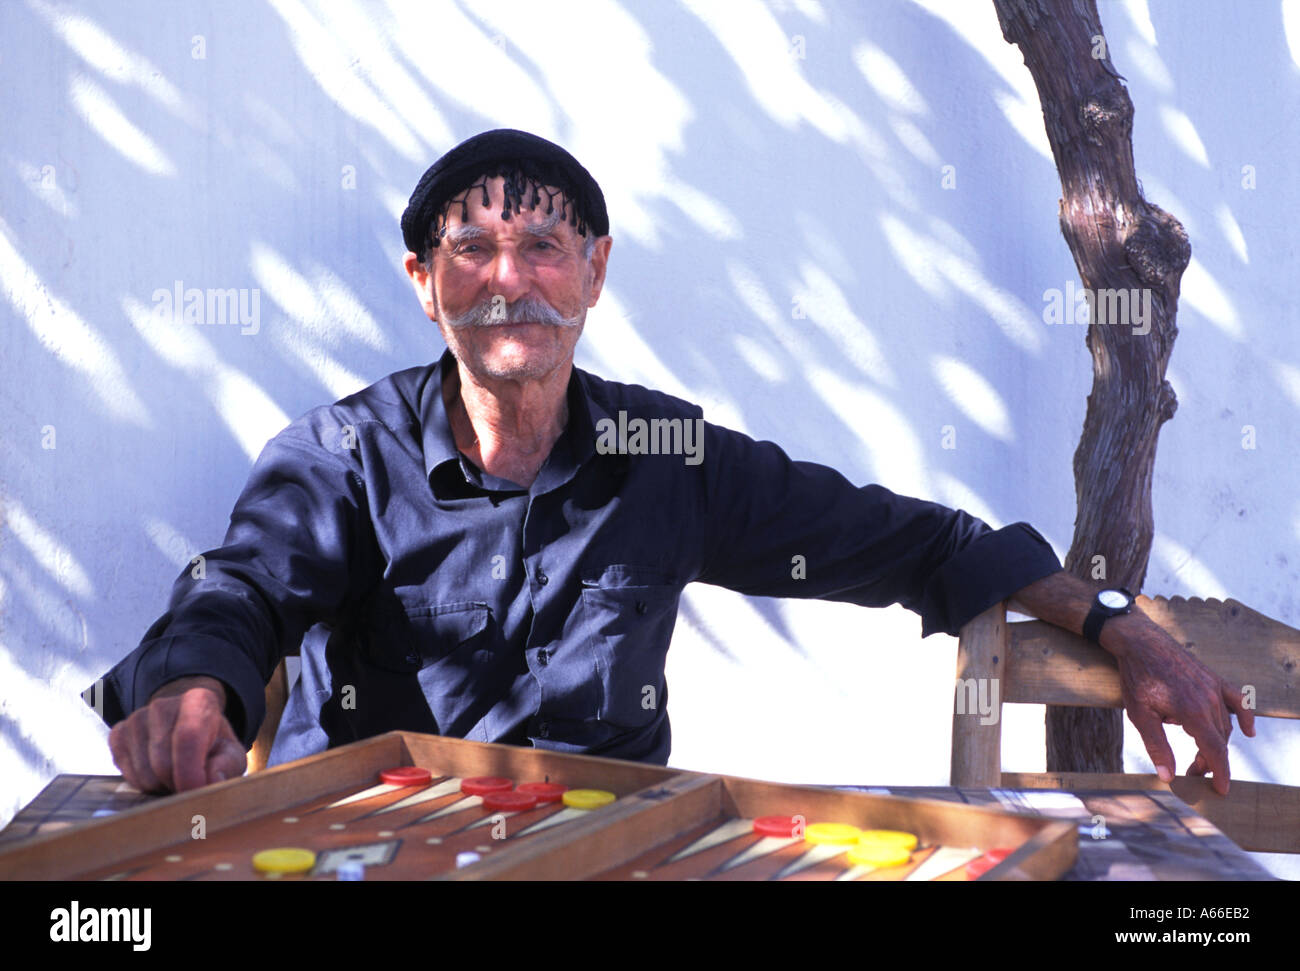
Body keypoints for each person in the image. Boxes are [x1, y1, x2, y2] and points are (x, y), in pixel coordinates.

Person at [91, 129, 1254, 795]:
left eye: (543, 246)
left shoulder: (665, 457)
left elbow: (922, 545)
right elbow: (236, 588)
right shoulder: (344, 453)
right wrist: (195, 682)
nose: (509, 280)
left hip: (607, 854)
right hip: (367, 851)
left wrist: (1116, 621)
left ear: (593, 272)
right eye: (472, 250)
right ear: (422, 281)